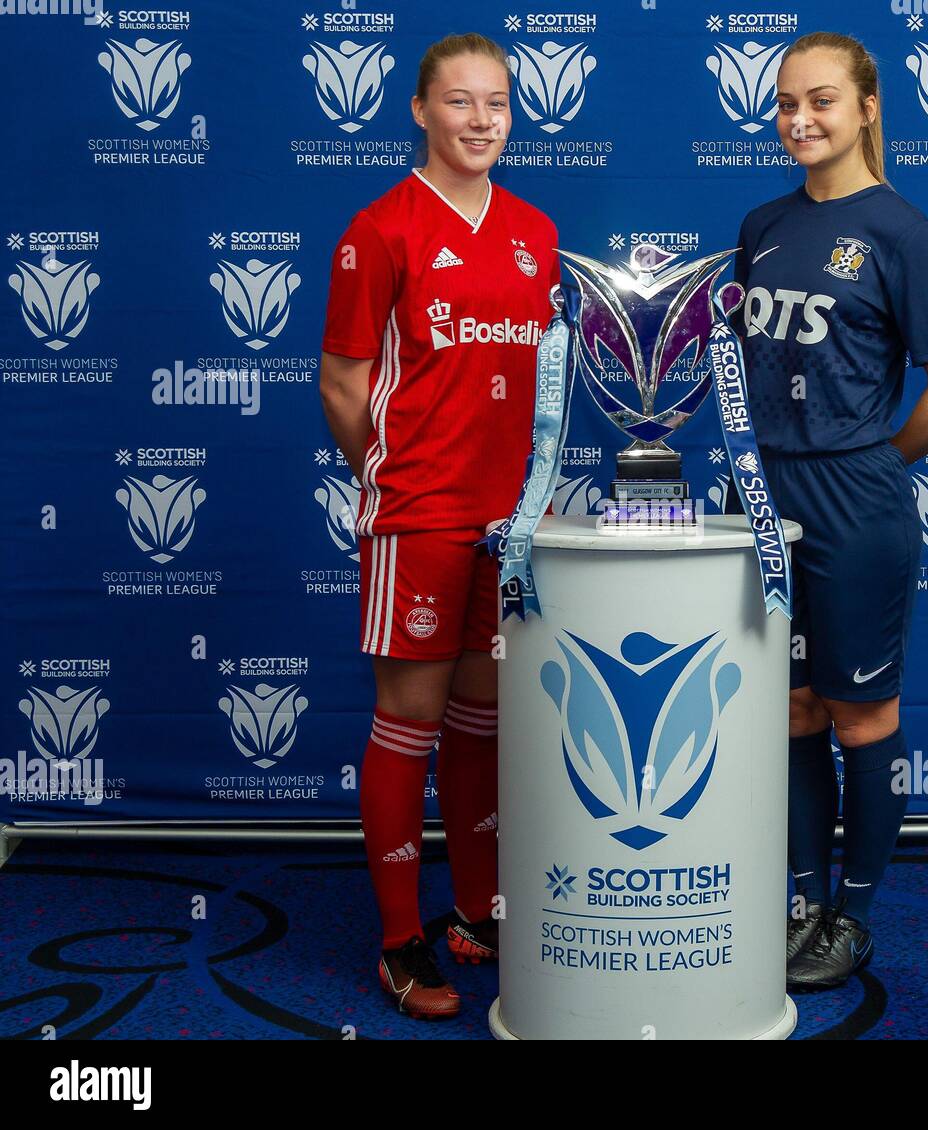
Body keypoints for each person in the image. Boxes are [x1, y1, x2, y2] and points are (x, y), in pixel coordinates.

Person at [729, 31, 928, 990]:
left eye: (821, 100)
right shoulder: (762, 224)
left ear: (867, 108)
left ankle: (853, 915)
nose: (800, 119)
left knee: (861, 715)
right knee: (791, 709)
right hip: (762, 494)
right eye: (786, 103)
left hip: (853, 499)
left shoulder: (903, 231)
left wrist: (874, 462)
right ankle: (801, 901)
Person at [319, 33, 559, 1018]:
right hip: (418, 516)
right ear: (420, 110)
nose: (480, 120)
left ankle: (474, 909)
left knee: (481, 719)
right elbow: (343, 382)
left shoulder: (535, 231)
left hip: (511, 524)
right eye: (459, 101)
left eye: (496, 102)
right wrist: (396, 482)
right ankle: (397, 941)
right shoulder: (380, 228)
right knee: (407, 722)